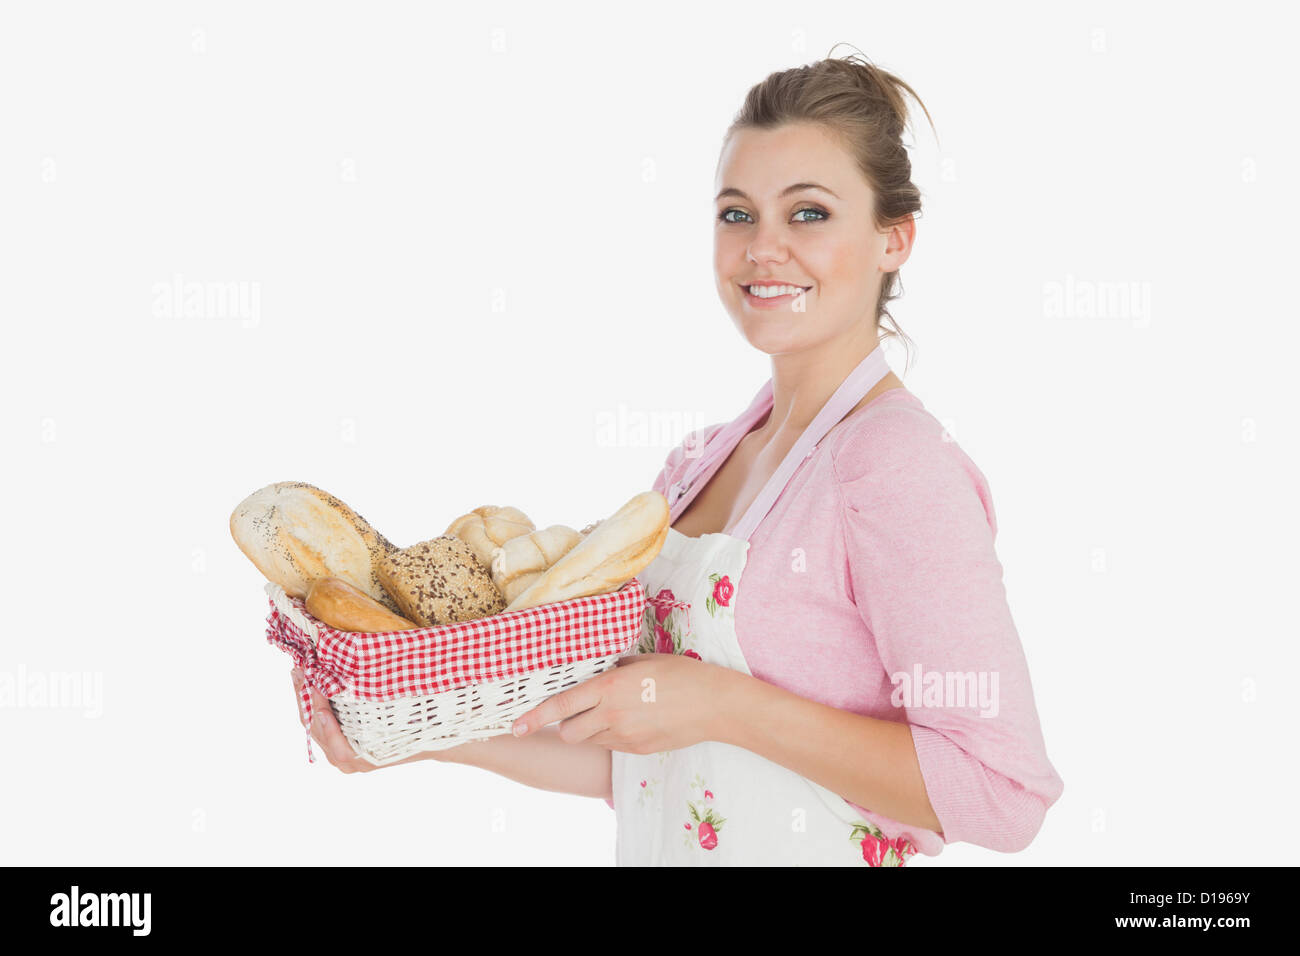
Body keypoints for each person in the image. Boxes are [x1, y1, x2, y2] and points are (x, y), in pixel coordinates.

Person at [291, 48, 1064, 866]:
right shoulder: (702, 461)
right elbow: (643, 754)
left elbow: (1002, 791)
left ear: (893, 240)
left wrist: (722, 705)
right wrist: (416, 734)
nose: (764, 248)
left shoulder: (895, 465)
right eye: (738, 214)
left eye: (809, 214)